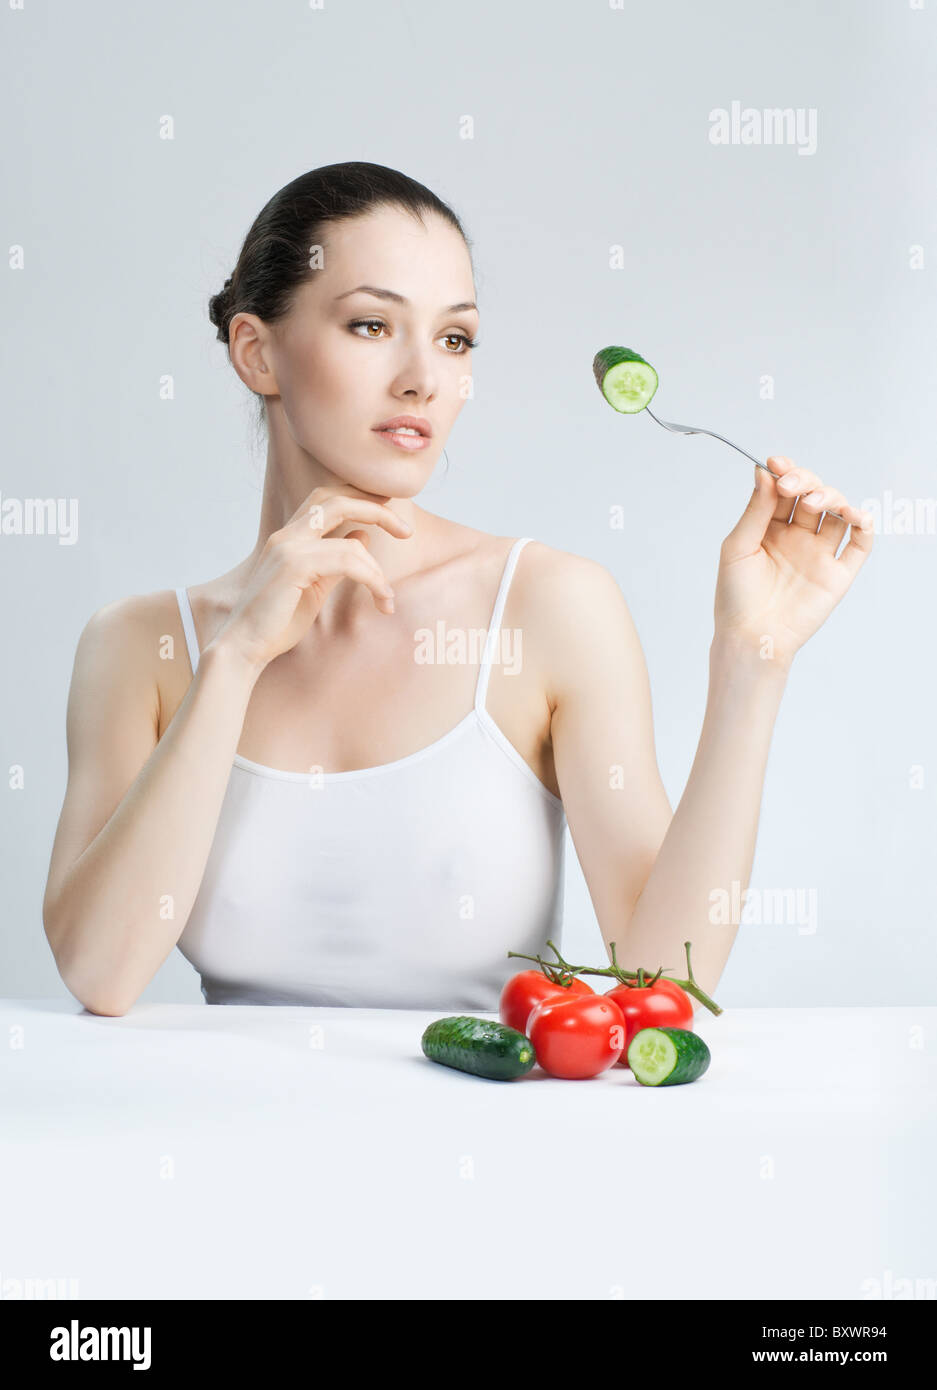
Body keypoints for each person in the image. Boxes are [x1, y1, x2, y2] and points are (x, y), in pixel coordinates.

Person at [41, 161, 874, 1016]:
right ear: (257, 353)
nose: (423, 379)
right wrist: (237, 658)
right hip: (218, 1142)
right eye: (370, 325)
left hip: (486, 1138)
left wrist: (753, 659)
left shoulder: (550, 605)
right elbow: (101, 973)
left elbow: (666, 982)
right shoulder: (140, 645)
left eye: (454, 339)